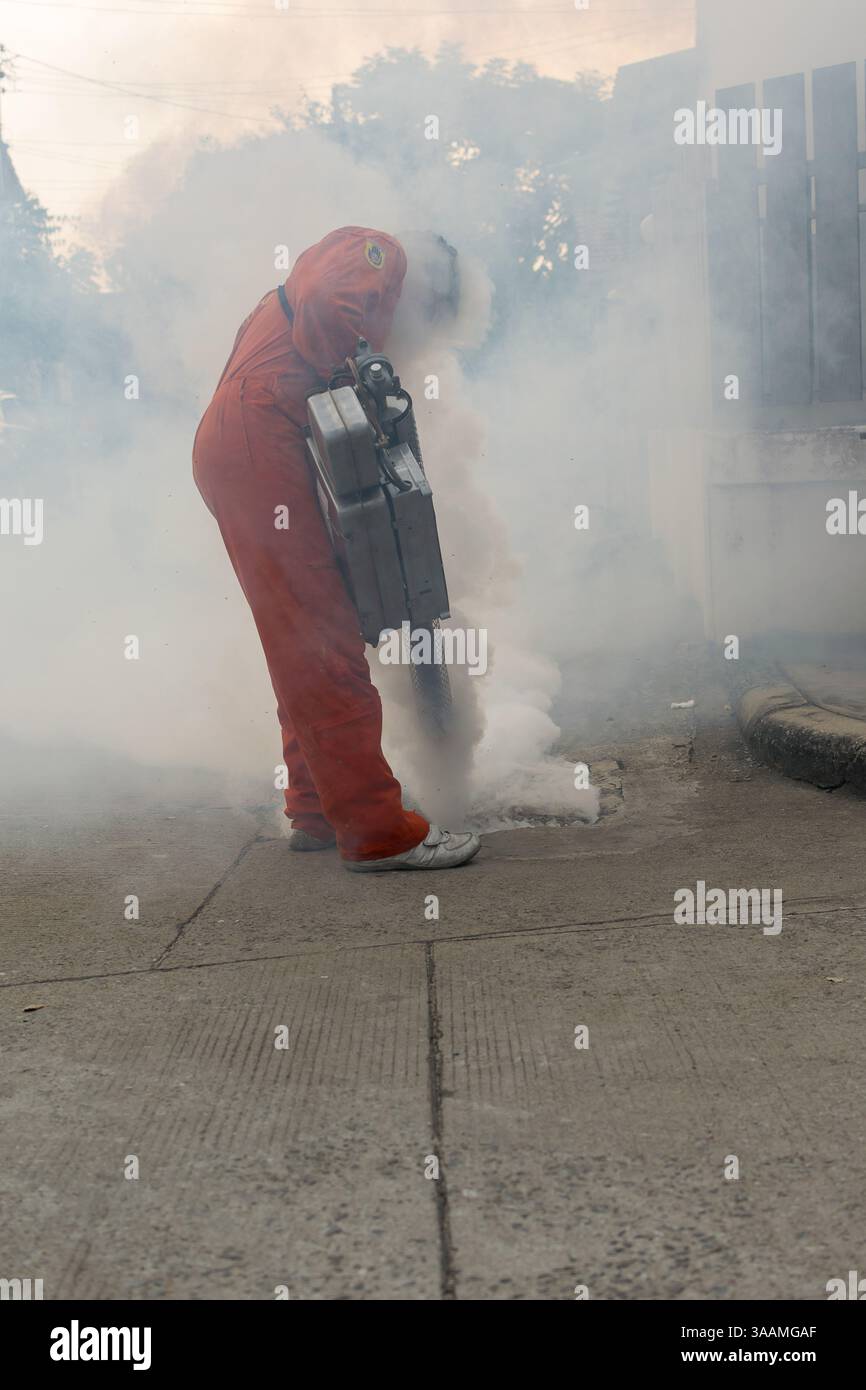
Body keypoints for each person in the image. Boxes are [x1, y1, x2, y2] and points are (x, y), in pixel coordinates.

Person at [192, 226, 481, 872]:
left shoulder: (306, 310)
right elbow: (327, 302)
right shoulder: (377, 253)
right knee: (319, 636)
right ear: (424, 286)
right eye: (427, 316)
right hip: (258, 437)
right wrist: (353, 363)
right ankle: (377, 831)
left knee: (314, 634)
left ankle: (317, 809)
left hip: (250, 439)